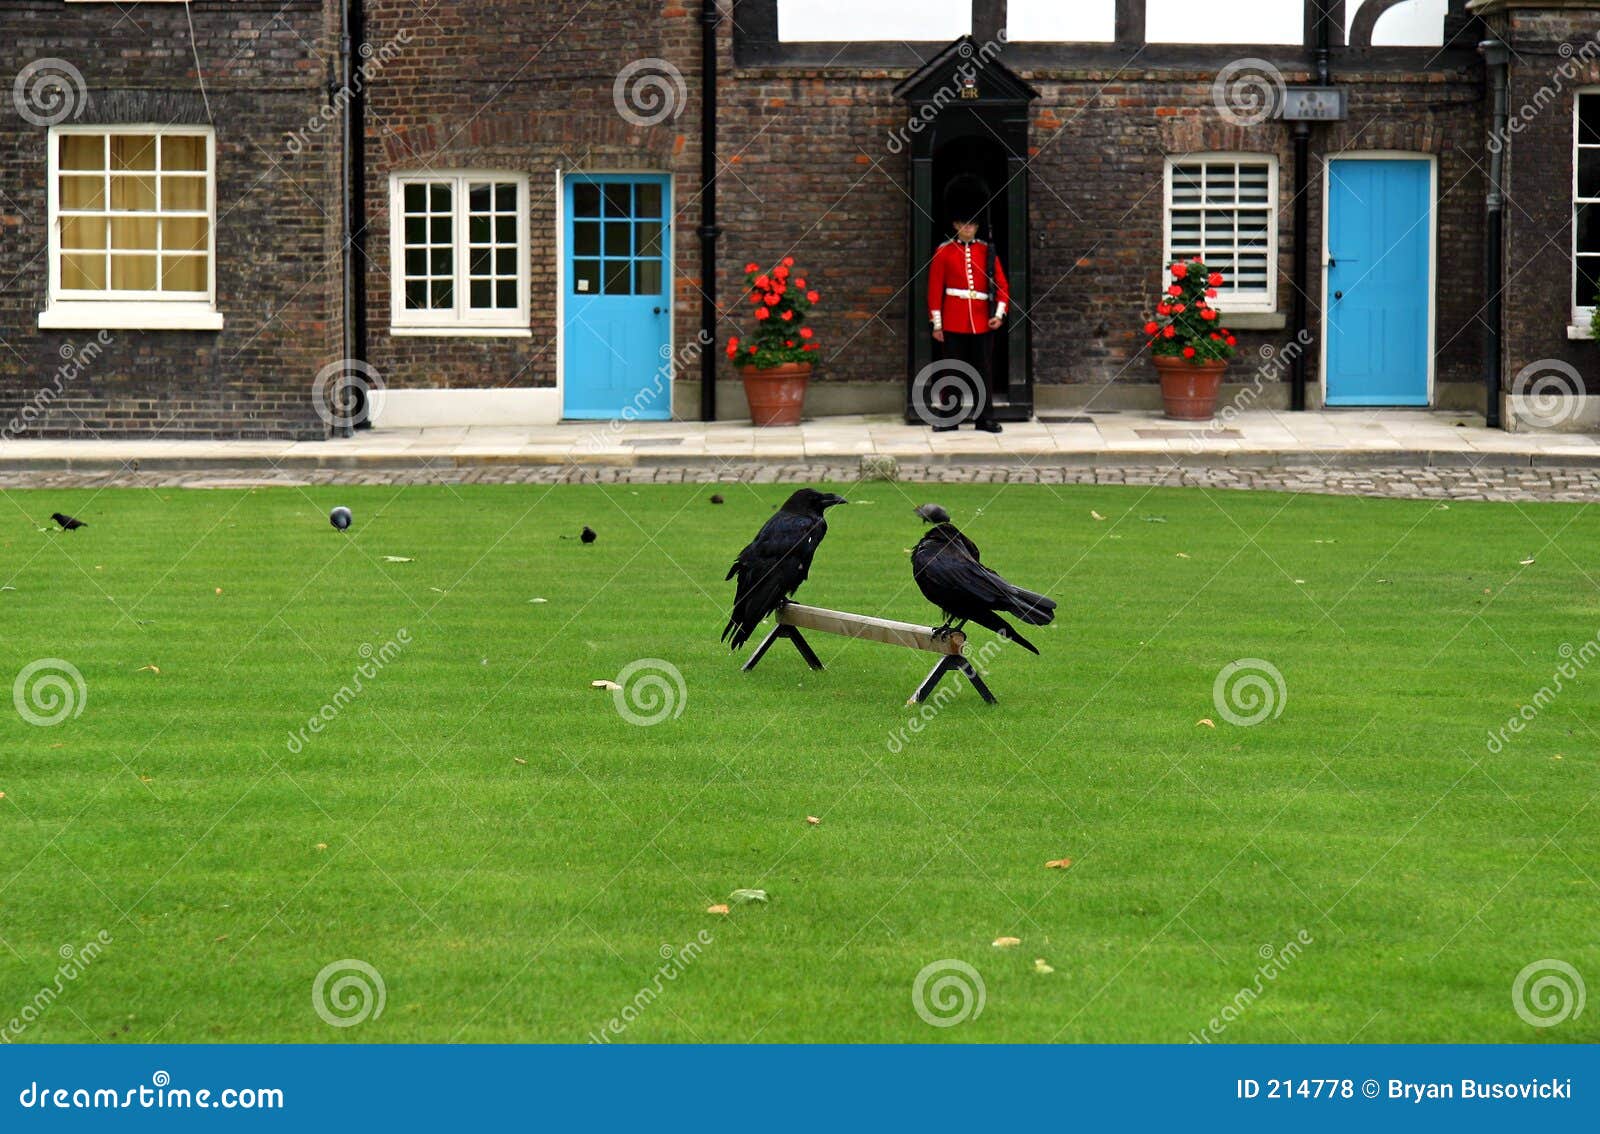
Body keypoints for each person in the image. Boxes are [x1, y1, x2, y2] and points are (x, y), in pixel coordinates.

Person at [927, 174, 1009, 433]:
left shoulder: (987, 251)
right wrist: (937, 324)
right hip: (953, 319)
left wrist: (999, 314)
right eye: (964, 224)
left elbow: (1003, 286)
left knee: (983, 370)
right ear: (955, 224)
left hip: (982, 319)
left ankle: (984, 417)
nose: (968, 228)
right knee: (952, 370)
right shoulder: (944, 252)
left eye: (972, 224)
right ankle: (949, 417)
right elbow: (934, 290)